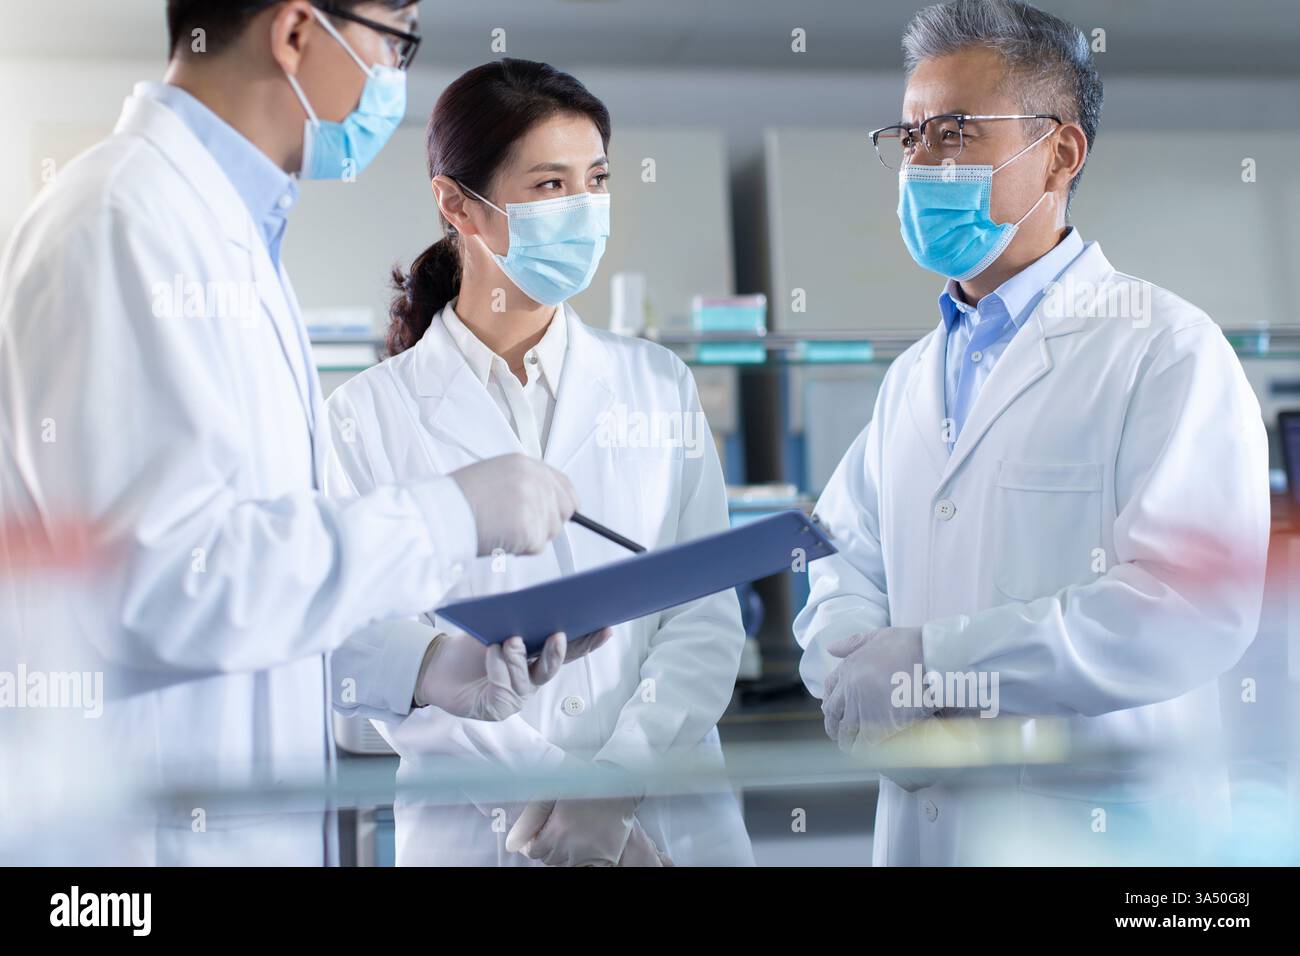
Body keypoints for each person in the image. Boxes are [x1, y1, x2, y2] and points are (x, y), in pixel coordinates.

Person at [0, 1, 598, 866]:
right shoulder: (124, 223)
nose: (398, 75)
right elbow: (164, 584)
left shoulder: (225, 234)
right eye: (394, 40)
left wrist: (423, 663)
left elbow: (254, 577)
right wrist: (447, 516)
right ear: (295, 33)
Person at [794, 0, 1269, 865]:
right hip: (923, 824)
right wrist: (849, 664)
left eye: (955, 132)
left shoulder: (1166, 351)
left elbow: (1188, 609)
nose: (921, 164)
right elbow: (840, 555)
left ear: (1060, 152)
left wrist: (933, 665)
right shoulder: (910, 381)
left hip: (1101, 838)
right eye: (908, 138)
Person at [321, 58, 756, 867]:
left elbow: (703, 616)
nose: (585, 209)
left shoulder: (657, 384)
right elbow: (373, 653)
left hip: (668, 821)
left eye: (596, 180)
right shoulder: (362, 419)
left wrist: (618, 787)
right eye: (550, 186)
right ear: (457, 203)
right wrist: (556, 799)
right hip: (484, 833)